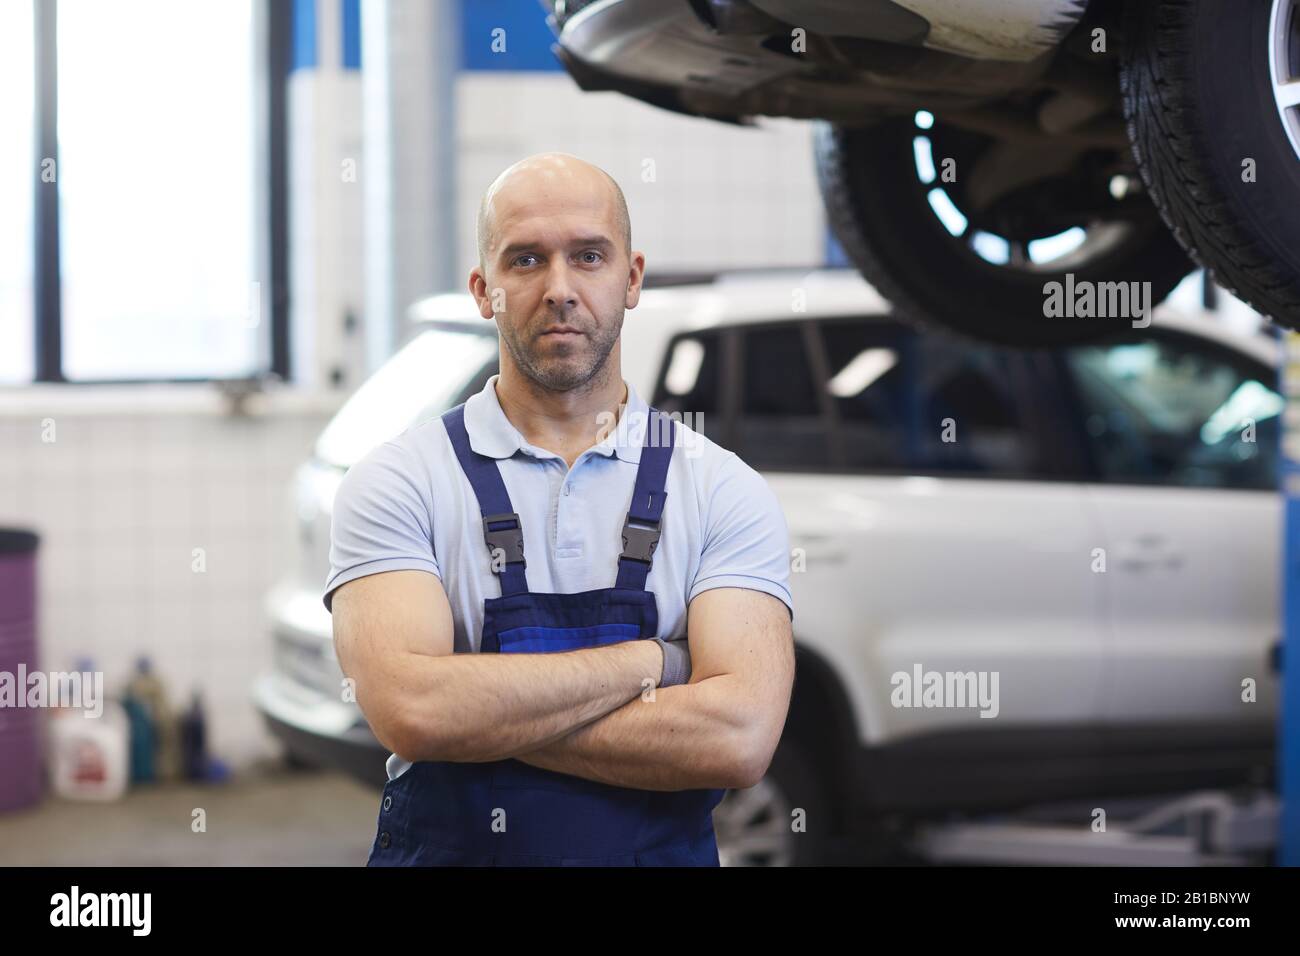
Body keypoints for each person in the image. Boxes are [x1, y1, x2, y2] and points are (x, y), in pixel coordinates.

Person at [324, 152, 795, 866]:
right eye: (525, 260)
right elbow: (413, 713)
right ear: (485, 291)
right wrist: (652, 662)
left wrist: (480, 716)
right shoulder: (399, 482)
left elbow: (737, 738)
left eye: (588, 256)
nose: (560, 288)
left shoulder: (721, 491)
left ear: (630, 278)